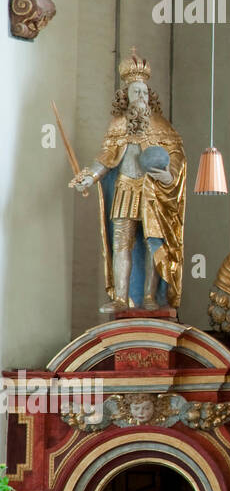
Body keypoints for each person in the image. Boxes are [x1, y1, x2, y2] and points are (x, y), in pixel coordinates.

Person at [70, 51, 186, 310]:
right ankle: (121, 298)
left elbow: (176, 155)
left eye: (145, 93)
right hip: (124, 186)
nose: (142, 98)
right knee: (121, 241)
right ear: (126, 97)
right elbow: (106, 157)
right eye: (136, 93)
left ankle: (149, 297)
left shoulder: (161, 124)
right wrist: (89, 177)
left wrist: (170, 174)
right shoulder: (118, 124)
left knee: (153, 242)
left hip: (152, 191)